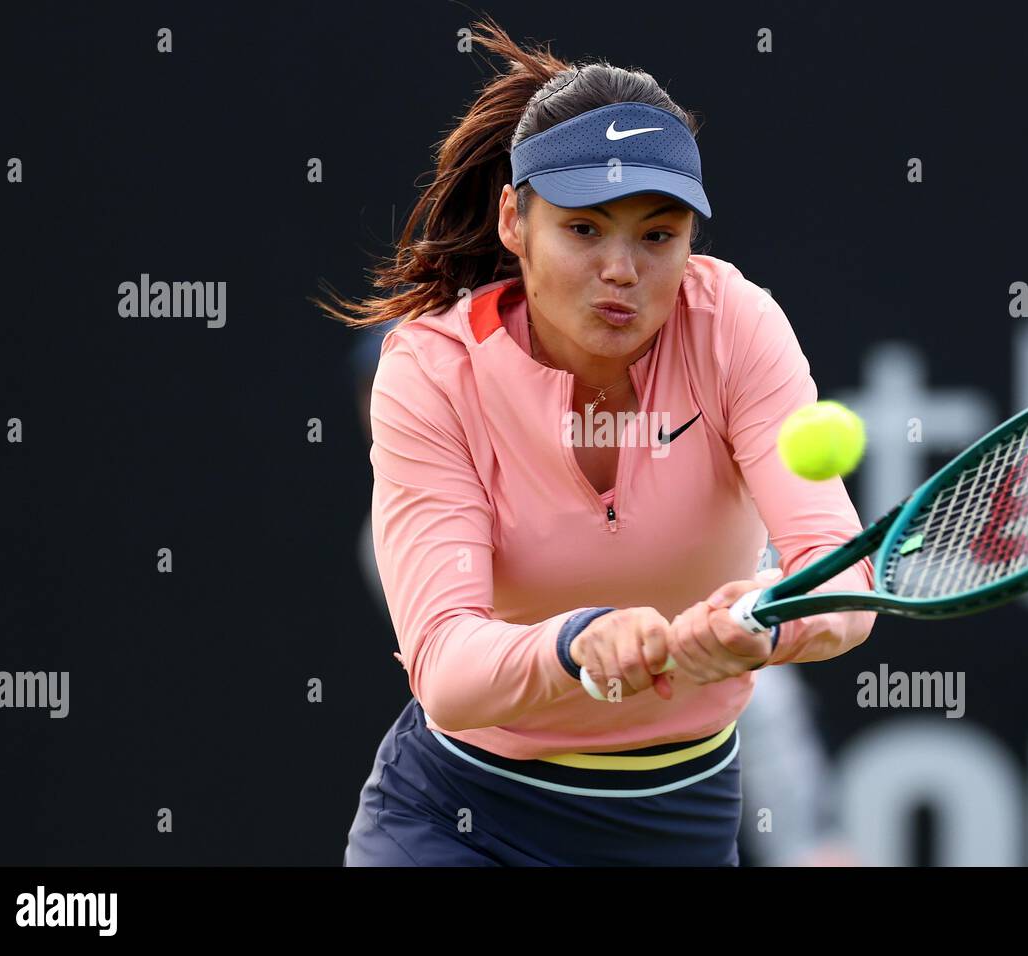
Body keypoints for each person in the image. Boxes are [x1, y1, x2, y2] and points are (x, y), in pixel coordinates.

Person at [316, 18, 876, 866]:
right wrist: (575, 641)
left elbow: (838, 577)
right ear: (515, 219)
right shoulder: (431, 370)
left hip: (675, 824)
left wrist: (768, 622)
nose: (623, 270)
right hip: (459, 822)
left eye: (659, 235)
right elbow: (446, 667)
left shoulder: (738, 327)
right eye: (584, 228)